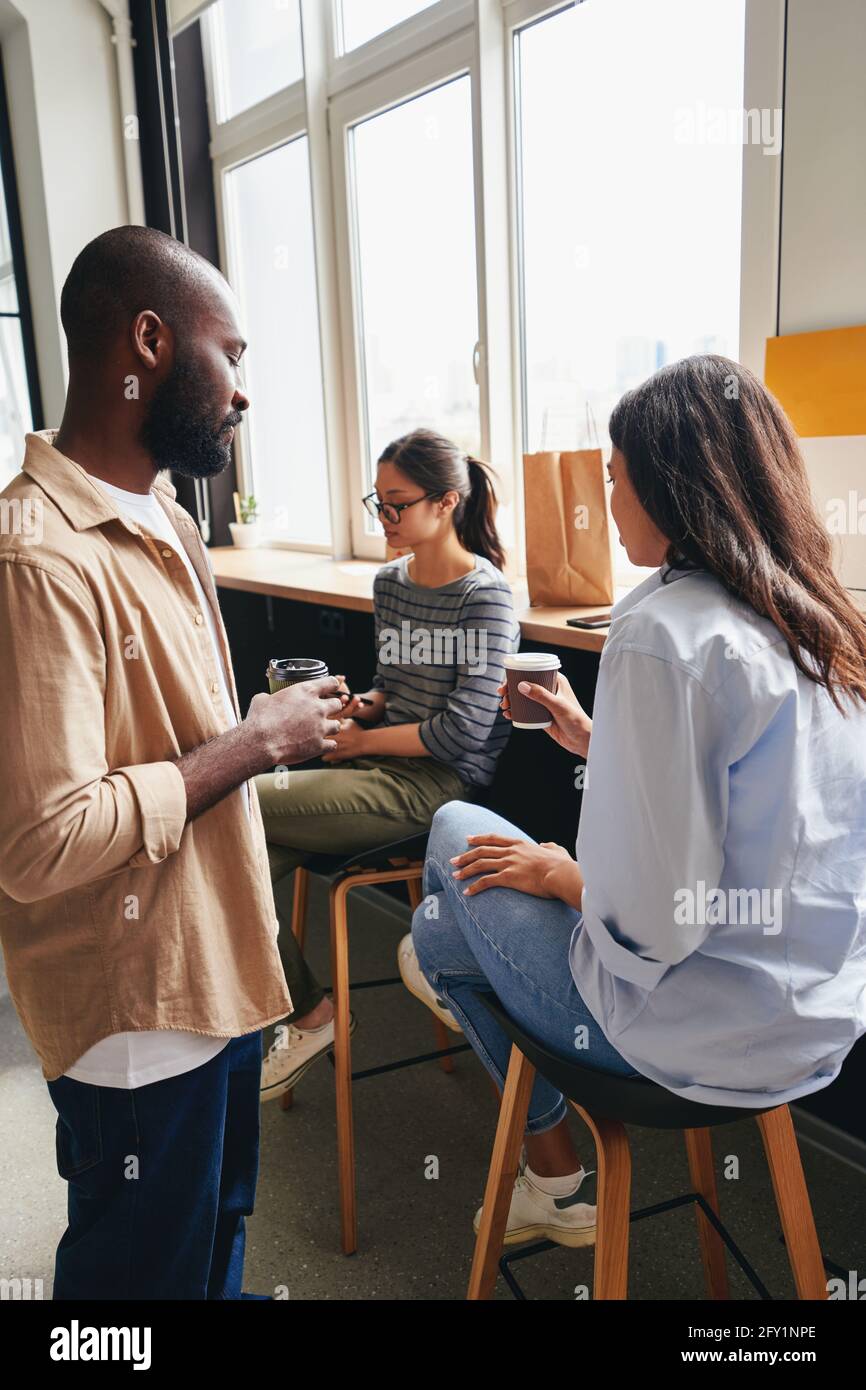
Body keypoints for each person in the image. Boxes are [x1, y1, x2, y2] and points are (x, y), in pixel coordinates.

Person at [404, 354, 866, 1250]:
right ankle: (544, 1165)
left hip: (691, 1035)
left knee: (447, 867)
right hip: (815, 1021)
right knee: (447, 917)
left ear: (668, 485)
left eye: (614, 478)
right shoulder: (818, 618)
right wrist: (598, 741)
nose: (606, 502)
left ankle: (553, 1171)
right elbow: (765, 806)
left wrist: (562, 874)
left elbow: (657, 924)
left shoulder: (659, 633)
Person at [0, 226, 344, 1299]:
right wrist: (255, 741)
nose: (241, 389)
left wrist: (258, 728)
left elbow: (164, 743)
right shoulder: (36, 557)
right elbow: (41, 841)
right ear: (148, 342)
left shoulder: (169, 520)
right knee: (136, 1291)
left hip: (218, 972)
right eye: (228, 353)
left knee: (212, 1253)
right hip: (139, 1027)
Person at [256, 428, 520, 1101]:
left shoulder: (485, 596)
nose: (384, 517)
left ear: (447, 502)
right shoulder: (390, 583)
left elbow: (463, 731)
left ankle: (309, 1018)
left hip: (438, 788)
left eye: (397, 503)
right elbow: (390, 689)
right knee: (232, 862)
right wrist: (358, 708)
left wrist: (362, 742)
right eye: (379, 501)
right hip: (375, 769)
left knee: (239, 801)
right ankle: (311, 1014)